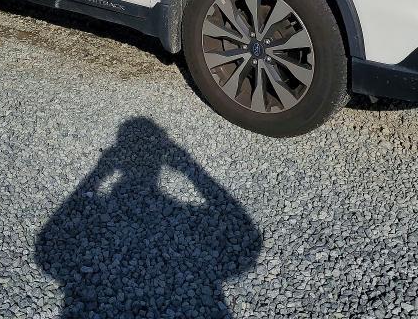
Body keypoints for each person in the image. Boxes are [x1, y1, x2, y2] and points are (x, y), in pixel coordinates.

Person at [36, 117, 261, 318]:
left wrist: (99, 172)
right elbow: (245, 238)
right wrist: (190, 167)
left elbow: (47, 249)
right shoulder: (186, 218)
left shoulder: (101, 209)